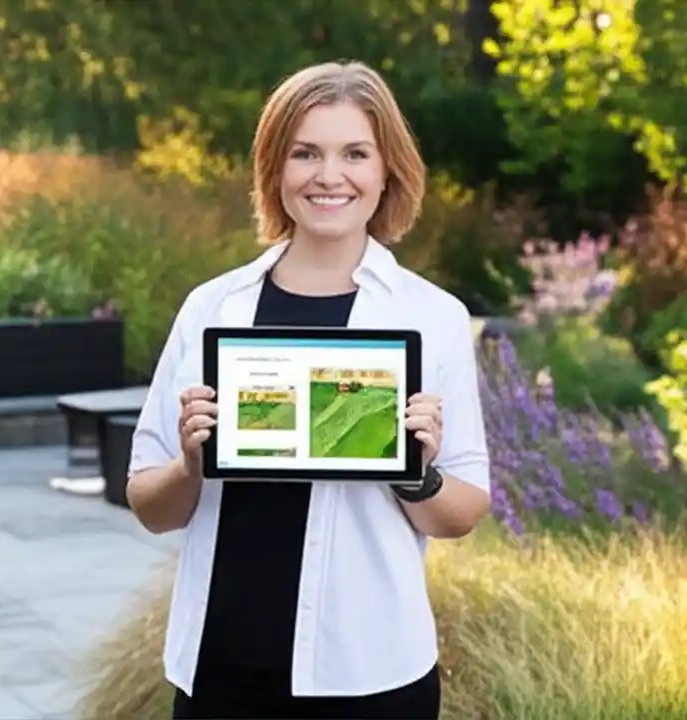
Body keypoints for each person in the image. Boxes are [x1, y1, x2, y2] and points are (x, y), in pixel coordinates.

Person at [125, 60, 491, 720]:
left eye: (355, 153)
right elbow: (151, 505)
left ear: (387, 171)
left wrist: (415, 473)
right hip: (219, 675)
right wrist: (190, 465)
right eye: (305, 153)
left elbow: (462, 511)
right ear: (274, 168)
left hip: (372, 674)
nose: (329, 176)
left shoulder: (432, 317)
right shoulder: (212, 309)